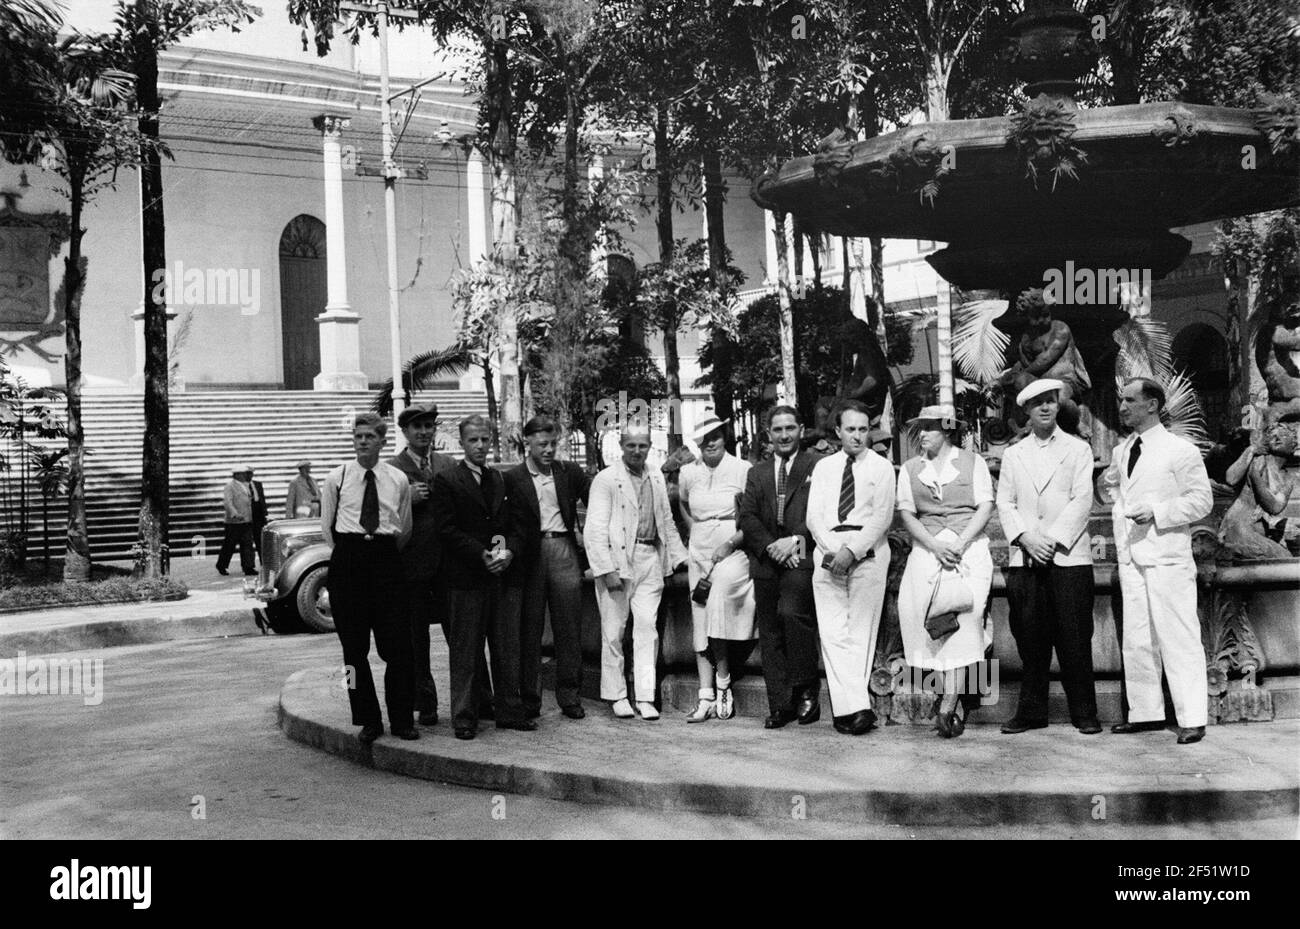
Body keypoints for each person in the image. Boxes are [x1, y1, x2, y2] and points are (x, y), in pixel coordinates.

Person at [1109, 377, 1213, 745]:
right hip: (1132, 556)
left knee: (1178, 635)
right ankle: (1145, 713)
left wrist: (1157, 511)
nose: (1122, 406)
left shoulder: (1180, 450)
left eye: (1129, 400)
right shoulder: (1122, 451)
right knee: (1137, 637)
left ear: (1152, 405)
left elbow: (1201, 501)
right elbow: (1117, 488)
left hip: (1167, 557)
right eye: (1121, 400)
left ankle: (1192, 717)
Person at [994, 378, 1101, 735]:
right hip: (1026, 559)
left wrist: (1051, 541)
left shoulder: (1078, 450)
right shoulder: (1014, 454)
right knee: (1029, 639)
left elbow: (1082, 500)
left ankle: (1084, 712)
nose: (1045, 407)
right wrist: (1026, 538)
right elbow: (1005, 502)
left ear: (1058, 405)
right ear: (1026, 409)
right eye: (1037, 402)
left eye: (1051, 401)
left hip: (1068, 558)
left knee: (1075, 637)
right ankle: (1031, 712)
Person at [895, 405, 995, 738]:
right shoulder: (910, 468)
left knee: (966, 617)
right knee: (917, 614)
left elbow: (985, 505)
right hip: (928, 547)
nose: (922, 434)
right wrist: (934, 546)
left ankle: (949, 704)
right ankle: (946, 694)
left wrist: (960, 543)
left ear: (947, 430)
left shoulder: (973, 462)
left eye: (930, 428)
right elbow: (907, 513)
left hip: (968, 548)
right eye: (920, 428)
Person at [320, 413, 416, 745]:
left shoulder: (397, 479)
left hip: (387, 562)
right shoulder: (337, 478)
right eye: (358, 436)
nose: (362, 441)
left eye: (369, 437)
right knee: (353, 650)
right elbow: (327, 527)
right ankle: (368, 719)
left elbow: (404, 527)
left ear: (382, 441)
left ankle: (402, 719)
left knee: (399, 646)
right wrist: (352, 554)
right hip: (349, 562)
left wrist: (381, 554)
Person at [433, 414, 531, 740]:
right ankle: (464, 717)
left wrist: (504, 553)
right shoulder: (447, 480)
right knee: (466, 652)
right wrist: (481, 555)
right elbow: (446, 529)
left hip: (498, 578)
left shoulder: (499, 479)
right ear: (462, 442)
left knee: (505, 648)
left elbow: (507, 525)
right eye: (473, 440)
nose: (480, 445)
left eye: (485, 439)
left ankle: (509, 711)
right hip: (465, 579)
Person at [806, 400, 895, 736]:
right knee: (832, 633)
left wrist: (852, 551)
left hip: (868, 552)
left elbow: (882, 517)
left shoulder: (881, 468)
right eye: (851, 429)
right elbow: (813, 517)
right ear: (838, 431)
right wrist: (834, 551)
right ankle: (857, 708)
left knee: (860, 633)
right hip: (828, 551)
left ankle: (848, 711)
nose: (857, 436)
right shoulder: (824, 468)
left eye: (863, 429)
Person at [586, 429, 688, 720]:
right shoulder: (606, 479)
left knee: (647, 630)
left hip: (649, 558)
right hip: (618, 560)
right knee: (614, 631)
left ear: (650, 446)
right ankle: (617, 695)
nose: (636, 451)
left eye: (642, 445)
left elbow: (666, 521)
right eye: (631, 445)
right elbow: (595, 529)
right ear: (621, 445)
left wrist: (680, 557)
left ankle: (645, 696)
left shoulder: (655, 475)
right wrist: (606, 569)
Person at [738, 405, 824, 729]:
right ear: (768, 434)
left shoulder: (816, 465)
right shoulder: (757, 472)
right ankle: (780, 703)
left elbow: (820, 511)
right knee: (770, 628)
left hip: (800, 554)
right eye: (778, 429)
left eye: (790, 428)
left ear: (801, 429)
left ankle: (805, 690)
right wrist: (770, 547)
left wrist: (794, 541)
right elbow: (747, 516)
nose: (784, 435)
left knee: (792, 613)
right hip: (767, 558)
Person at [505, 416, 591, 721]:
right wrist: (502, 551)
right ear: (527, 442)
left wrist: (590, 541)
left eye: (553, 443)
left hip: (563, 548)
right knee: (530, 630)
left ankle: (570, 696)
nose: (549, 450)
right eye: (542, 444)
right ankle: (531, 699)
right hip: (529, 554)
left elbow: (597, 501)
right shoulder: (513, 478)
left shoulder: (569, 472)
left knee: (569, 627)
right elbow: (502, 522)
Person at [677, 416, 756, 722]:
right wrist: (694, 529)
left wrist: (731, 542)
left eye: (715, 436)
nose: (710, 443)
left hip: (731, 548)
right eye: (703, 438)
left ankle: (724, 683)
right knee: (699, 614)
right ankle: (705, 694)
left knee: (718, 605)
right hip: (700, 549)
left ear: (725, 437)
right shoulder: (688, 472)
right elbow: (682, 502)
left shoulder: (742, 469)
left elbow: (752, 515)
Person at [386, 403, 457, 727]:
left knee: (460, 635)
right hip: (412, 566)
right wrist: (407, 499)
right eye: (417, 427)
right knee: (417, 640)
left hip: (448, 565)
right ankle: (426, 703)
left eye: (429, 426)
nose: (424, 432)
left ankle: (474, 701)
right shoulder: (392, 470)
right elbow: (383, 518)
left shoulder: (447, 464)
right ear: (405, 431)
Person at [215, 465, 256, 577]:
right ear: (237, 475)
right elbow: (228, 502)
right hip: (234, 522)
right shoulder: (230, 486)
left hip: (246, 519)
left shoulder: (245, 485)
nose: (245, 475)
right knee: (229, 545)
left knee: (247, 544)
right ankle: (222, 565)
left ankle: (248, 567)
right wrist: (235, 514)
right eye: (243, 474)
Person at [247, 467, 268, 563]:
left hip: (258, 514)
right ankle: (249, 563)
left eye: (250, 473)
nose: (249, 475)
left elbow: (262, 499)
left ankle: (263, 560)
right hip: (248, 513)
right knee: (248, 541)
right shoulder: (241, 485)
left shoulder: (258, 484)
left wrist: (265, 513)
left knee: (260, 539)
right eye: (247, 473)